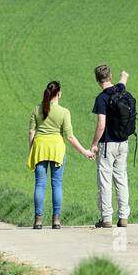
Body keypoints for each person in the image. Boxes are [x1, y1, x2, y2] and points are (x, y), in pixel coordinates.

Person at [27, 79, 94, 229]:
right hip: (57, 148)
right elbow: (70, 137)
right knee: (56, 184)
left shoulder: (36, 109)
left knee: (40, 184)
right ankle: (56, 220)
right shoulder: (64, 112)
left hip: (40, 148)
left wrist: (31, 150)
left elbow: (32, 132)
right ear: (59, 94)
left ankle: (38, 220)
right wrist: (85, 152)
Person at [90, 63, 131, 228]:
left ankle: (106, 218)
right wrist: (123, 74)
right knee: (121, 179)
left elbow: (101, 124)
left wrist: (94, 144)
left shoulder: (101, 98)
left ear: (97, 80)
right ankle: (123, 217)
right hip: (123, 143)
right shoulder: (120, 90)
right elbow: (124, 78)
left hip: (107, 145)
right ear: (110, 76)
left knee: (105, 181)